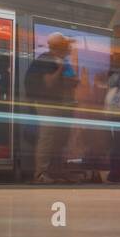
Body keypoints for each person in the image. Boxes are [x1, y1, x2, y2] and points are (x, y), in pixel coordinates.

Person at [25, 33, 79, 183]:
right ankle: (40, 174)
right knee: (47, 138)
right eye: (66, 45)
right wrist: (61, 69)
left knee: (58, 139)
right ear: (59, 47)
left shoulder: (60, 60)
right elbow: (49, 83)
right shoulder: (47, 59)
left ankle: (55, 172)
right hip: (47, 103)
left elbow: (68, 82)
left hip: (59, 104)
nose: (69, 47)